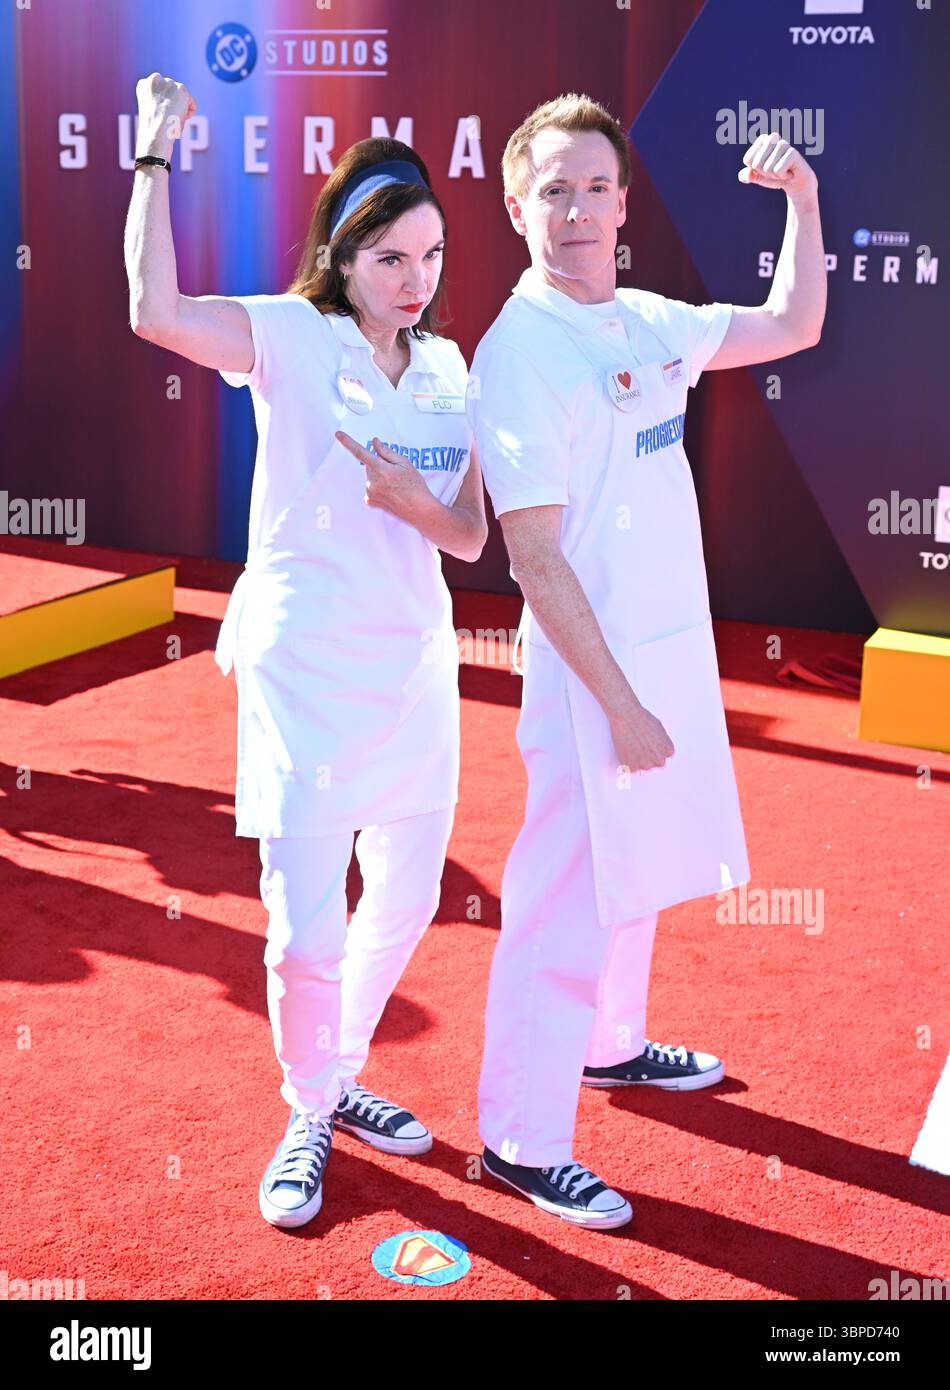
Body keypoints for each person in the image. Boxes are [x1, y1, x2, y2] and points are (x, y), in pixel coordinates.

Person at [124, 74, 487, 1230]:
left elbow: (472, 533)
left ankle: (332, 1071)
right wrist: (151, 159)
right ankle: (307, 1107)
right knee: (305, 919)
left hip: (416, 660)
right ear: (344, 256)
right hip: (302, 665)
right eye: (391, 259)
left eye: (430, 256)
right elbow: (153, 308)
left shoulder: (448, 367)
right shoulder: (287, 333)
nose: (415, 280)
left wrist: (411, 504)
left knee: (414, 890)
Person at [466, 93, 826, 1229]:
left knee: (633, 879)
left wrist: (804, 206)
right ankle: (519, 1136)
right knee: (562, 896)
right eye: (551, 189)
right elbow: (528, 551)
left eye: (593, 187)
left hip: (657, 658)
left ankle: (610, 1045)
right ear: (516, 203)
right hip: (588, 679)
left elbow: (790, 325)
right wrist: (616, 702)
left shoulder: (642, 316)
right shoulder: (516, 352)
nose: (575, 209)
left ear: (623, 203)